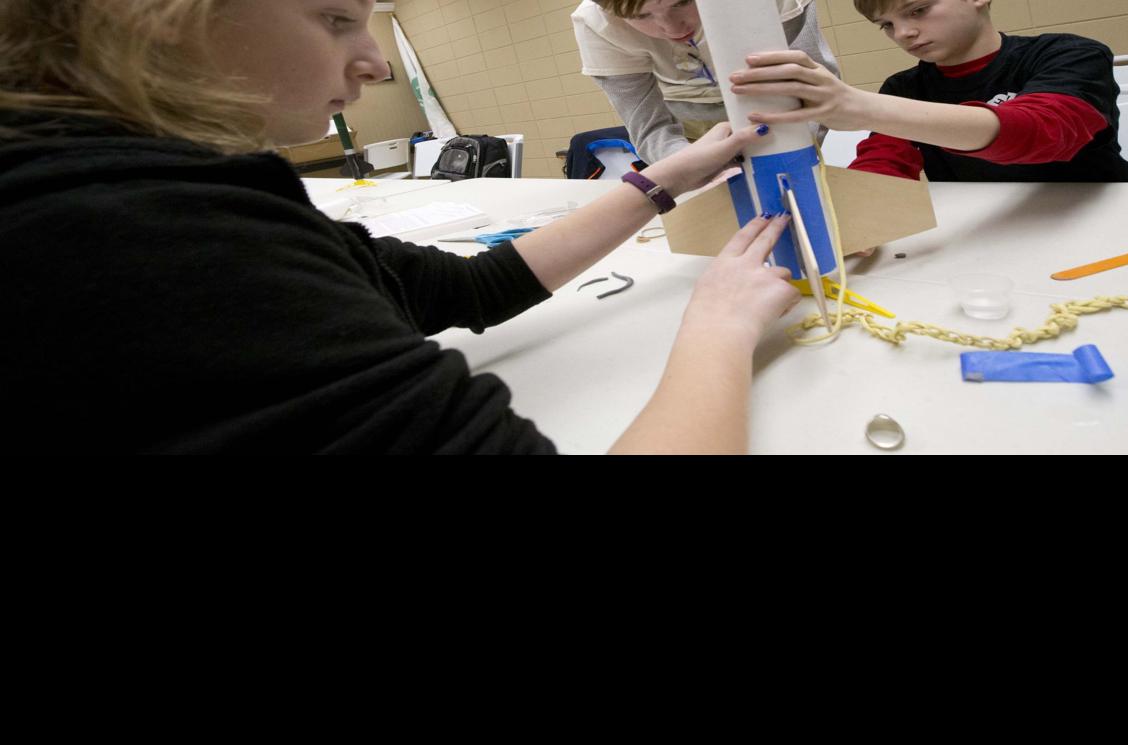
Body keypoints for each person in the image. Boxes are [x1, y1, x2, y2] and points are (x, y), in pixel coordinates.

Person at [0, 0, 800, 454]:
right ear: (158, 16)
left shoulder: (116, 184)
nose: (377, 64)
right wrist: (719, 326)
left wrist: (659, 181)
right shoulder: (137, 234)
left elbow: (468, 286)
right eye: (336, 16)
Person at [727, 0, 1128, 183]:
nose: (904, 33)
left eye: (918, 10)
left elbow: (1045, 134)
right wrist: (865, 221)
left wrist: (860, 106)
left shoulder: (1069, 53)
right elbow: (883, 167)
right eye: (888, 24)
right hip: (1003, 234)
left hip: (1114, 215)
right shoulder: (905, 88)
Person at [572, 0, 841, 163]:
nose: (673, 28)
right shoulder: (595, 24)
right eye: (642, 16)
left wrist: (797, 152)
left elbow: (816, 91)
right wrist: (693, 167)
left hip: (784, 109)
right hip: (689, 122)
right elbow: (650, 129)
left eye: (682, 2)